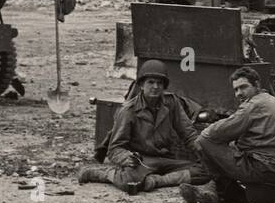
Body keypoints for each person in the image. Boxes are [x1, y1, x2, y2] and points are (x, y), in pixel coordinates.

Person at [78, 59, 201, 195]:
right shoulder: (128, 110)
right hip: (141, 161)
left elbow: (189, 134)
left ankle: (157, 181)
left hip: (166, 159)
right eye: (150, 82)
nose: (155, 87)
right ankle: (103, 173)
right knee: (130, 183)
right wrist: (128, 158)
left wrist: (203, 153)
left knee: (206, 172)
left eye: (160, 83)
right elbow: (115, 148)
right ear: (141, 84)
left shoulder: (172, 103)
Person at [182, 67, 275, 203]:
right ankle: (227, 190)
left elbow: (216, 133)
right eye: (236, 90)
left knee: (204, 141)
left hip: (262, 168)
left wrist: (204, 138)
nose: (239, 93)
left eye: (243, 87)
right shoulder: (273, 101)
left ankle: (223, 189)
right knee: (258, 199)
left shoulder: (253, 105)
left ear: (257, 85)